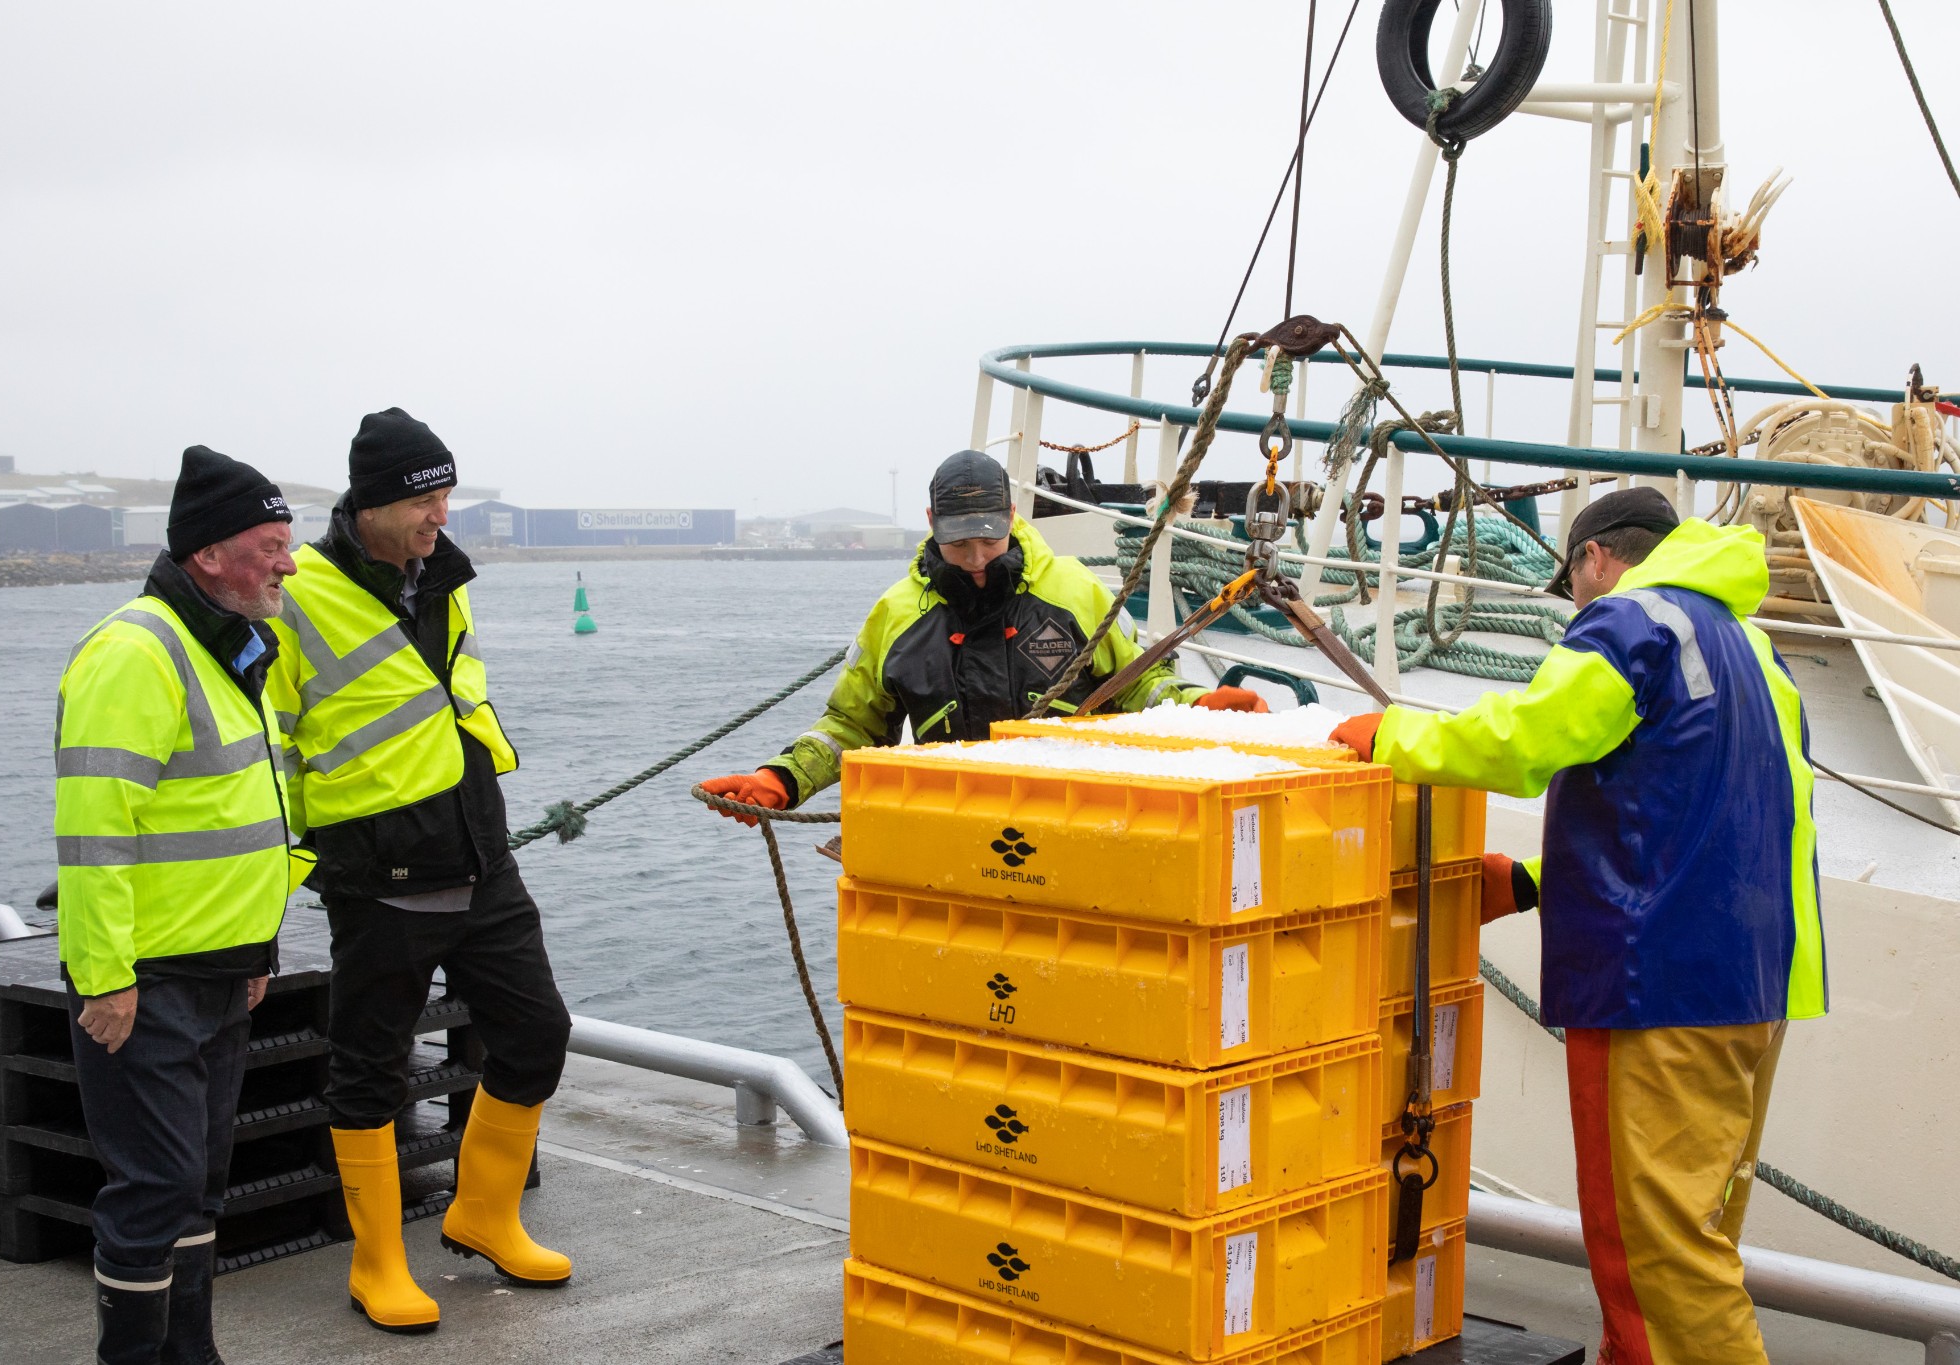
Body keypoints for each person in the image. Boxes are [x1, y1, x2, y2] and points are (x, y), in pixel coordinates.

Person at [1328, 487, 1826, 1365]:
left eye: (1575, 579)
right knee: (1694, 1237)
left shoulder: (1630, 623)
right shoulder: (1754, 648)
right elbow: (1720, 825)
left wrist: (1390, 736)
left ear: (1595, 557)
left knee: (1658, 1263)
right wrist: (1528, 882)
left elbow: (1526, 741)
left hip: (1657, 994)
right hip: (1755, 992)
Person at [268, 407, 572, 1334]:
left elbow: (454, 700)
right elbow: (274, 743)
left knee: (537, 1035)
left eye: (447, 494)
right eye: (426, 498)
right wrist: (303, 863)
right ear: (373, 502)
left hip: (482, 854)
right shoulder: (298, 591)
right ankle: (377, 1263)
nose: (442, 513)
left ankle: (482, 1214)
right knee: (371, 1072)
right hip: (378, 872)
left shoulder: (445, 576)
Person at [56, 446, 308, 1364]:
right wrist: (103, 977)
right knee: (155, 1184)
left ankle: (191, 1355)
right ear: (208, 552)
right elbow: (93, 832)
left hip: (220, 972)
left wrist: (258, 949)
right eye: (272, 544)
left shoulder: (233, 647)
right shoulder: (136, 651)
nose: (289, 562)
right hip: (146, 981)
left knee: (199, 1185)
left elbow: (253, 810)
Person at [704, 449, 1269, 821]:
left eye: (989, 542)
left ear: (1013, 515)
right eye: (958, 546)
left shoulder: (1079, 594)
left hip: (1081, 823)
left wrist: (1200, 704)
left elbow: (1139, 690)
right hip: (948, 829)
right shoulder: (895, 617)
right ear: (931, 524)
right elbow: (851, 725)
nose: (976, 561)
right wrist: (780, 779)